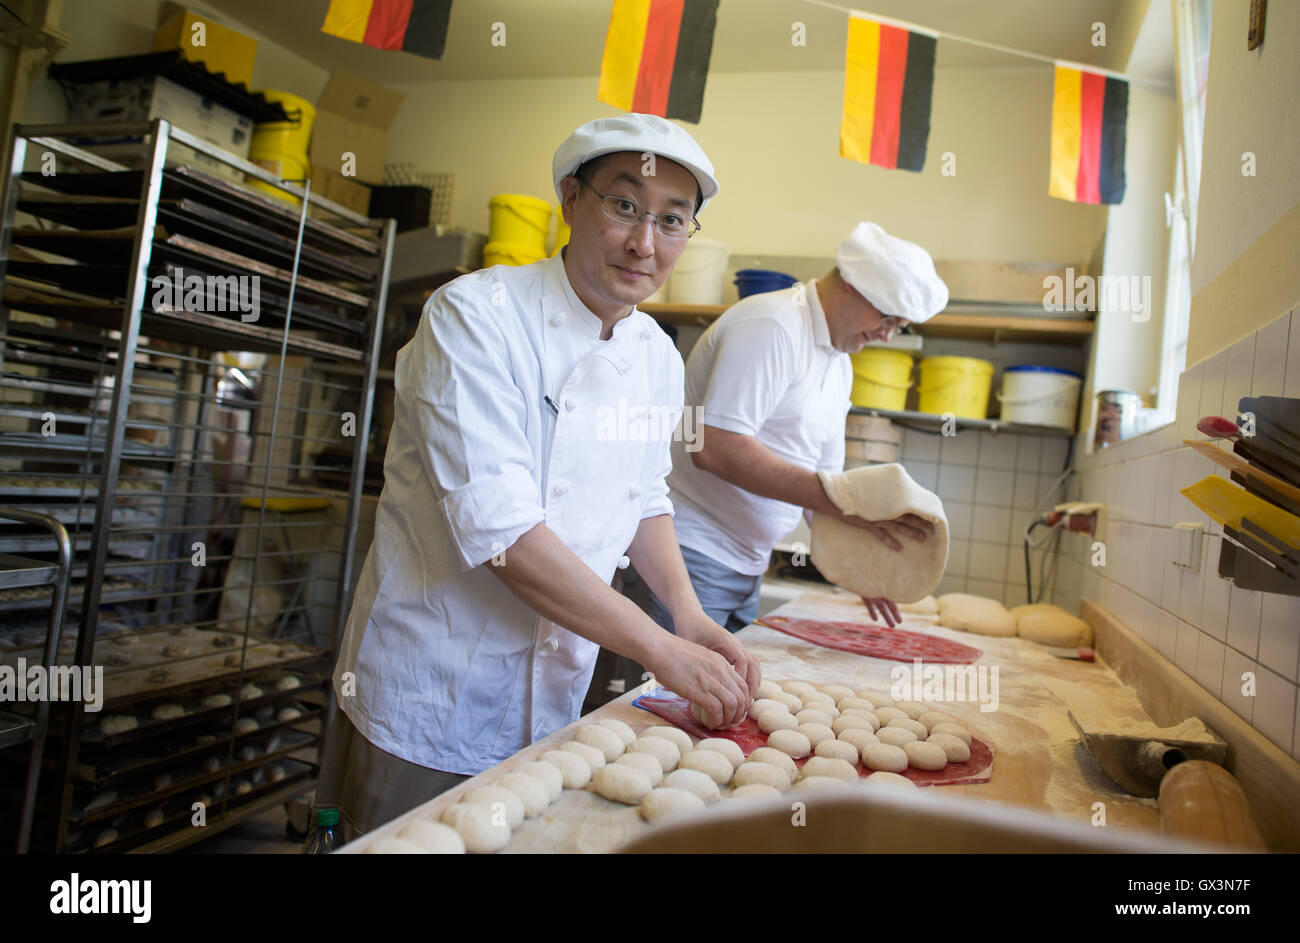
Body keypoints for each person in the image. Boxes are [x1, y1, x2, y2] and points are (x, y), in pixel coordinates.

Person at [320, 115, 760, 838]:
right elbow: (506, 536)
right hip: (434, 690)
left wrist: (689, 614)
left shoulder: (655, 353)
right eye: (624, 206)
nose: (644, 243)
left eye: (672, 222)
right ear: (570, 198)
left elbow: (644, 497)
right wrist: (658, 647)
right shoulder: (473, 318)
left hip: (552, 698)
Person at [646, 222, 947, 634]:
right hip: (690, 554)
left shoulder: (838, 364)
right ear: (853, 286)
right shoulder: (773, 326)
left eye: (898, 326)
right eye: (887, 318)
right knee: (669, 697)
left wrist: (862, 562)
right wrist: (846, 505)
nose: (887, 335)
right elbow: (715, 447)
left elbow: (825, 485)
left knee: (721, 696)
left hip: (748, 566)